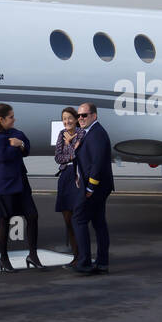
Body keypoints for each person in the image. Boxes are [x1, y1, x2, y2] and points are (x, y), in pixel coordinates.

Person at [0, 102, 45, 272]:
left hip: (21, 184)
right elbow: (2, 157)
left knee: (32, 216)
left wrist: (20, 144)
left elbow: (27, 149)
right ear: (1, 119)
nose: (14, 119)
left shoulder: (16, 134)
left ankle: (32, 255)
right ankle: (4, 259)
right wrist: (16, 146)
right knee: (5, 221)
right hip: (4, 185)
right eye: (11, 117)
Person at [71, 102, 114, 276]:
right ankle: (102, 263)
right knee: (98, 223)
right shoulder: (91, 132)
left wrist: (90, 187)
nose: (80, 118)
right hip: (99, 186)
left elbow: (96, 164)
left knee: (79, 219)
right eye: (78, 115)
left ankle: (84, 262)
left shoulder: (96, 134)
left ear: (94, 116)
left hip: (95, 187)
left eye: (84, 115)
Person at [53, 106, 84, 267]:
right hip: (65, 176)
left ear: (76, 119)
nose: (67, 121)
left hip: (77, 176)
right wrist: (70, 149)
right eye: (64, 119)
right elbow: (58, 157)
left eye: (69, 118)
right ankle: (76, 255)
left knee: (77, 218)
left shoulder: (81, 134)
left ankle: (82, 256)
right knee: (67, 219)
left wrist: (69, 143)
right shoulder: (60, 133)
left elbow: (77, 155)